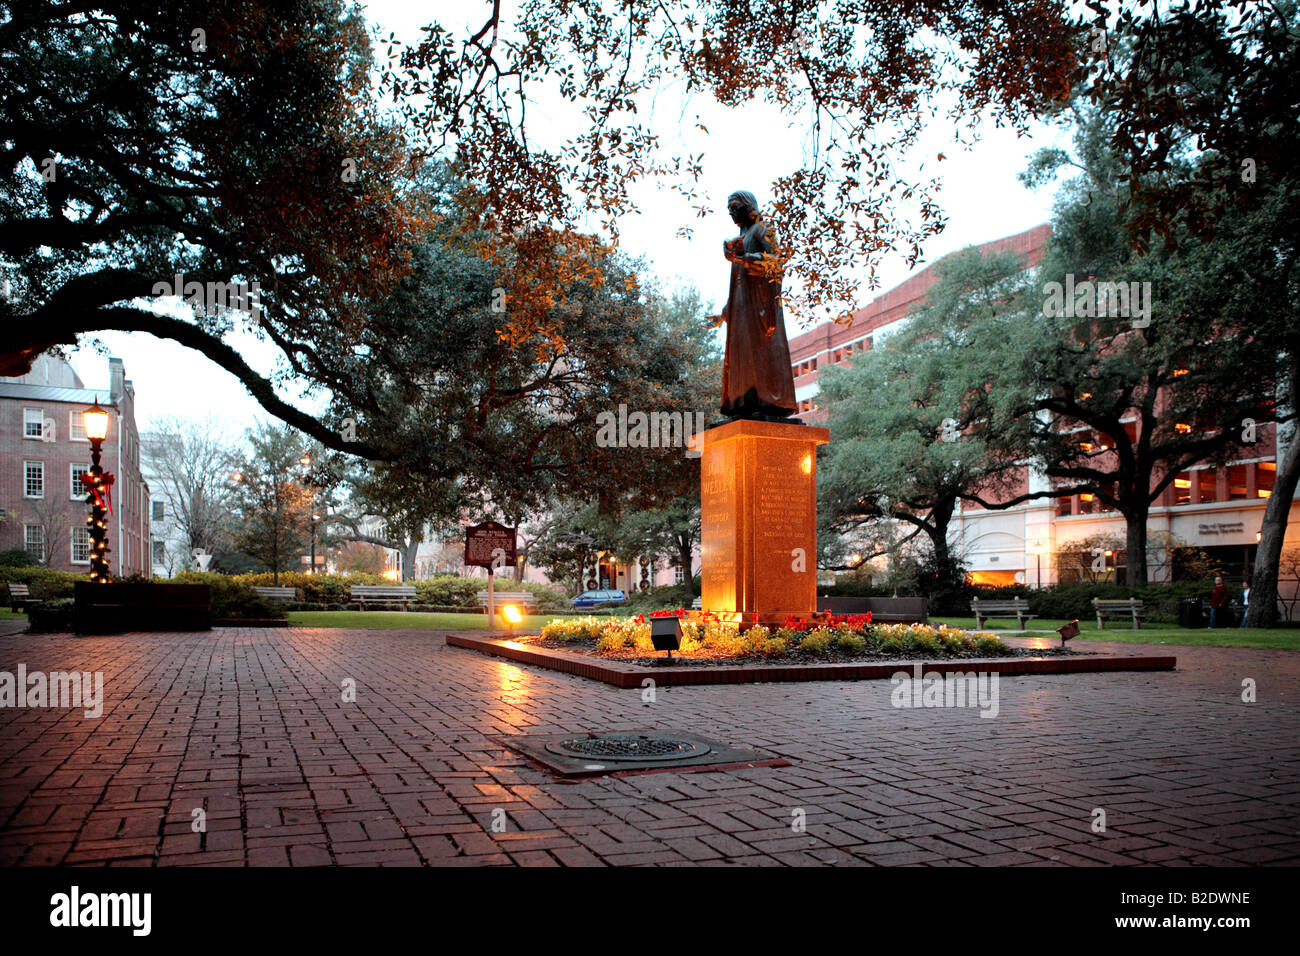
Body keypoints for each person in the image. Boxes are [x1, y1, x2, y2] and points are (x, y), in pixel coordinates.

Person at [703, 190, 798, 420]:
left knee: (759, 357)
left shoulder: (763, 229)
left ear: (748, 206)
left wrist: (744, 259)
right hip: (742, 314)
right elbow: (738, 287)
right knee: (743, 360)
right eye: (729, 208)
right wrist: (725, 314)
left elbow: (777, 262)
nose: (731, 212)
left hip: (760, 311)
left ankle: (766, 401)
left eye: (735, 206)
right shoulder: (741, 240)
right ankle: (744, 403)